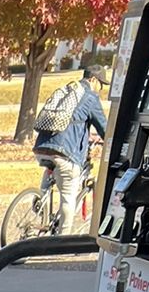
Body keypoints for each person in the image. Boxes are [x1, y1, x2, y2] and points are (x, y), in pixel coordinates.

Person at [32, 68, 108, 232]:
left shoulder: (68, 90)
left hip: (42, 146)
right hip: (64, 151)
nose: (100, 89)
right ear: (94, 80)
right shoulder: (89, 97)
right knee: (68, 195)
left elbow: (71, 120)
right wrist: (109, 140)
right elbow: (104, 128)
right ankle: (62, 238)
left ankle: (40, 201)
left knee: (53, 169)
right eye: (101, 85)